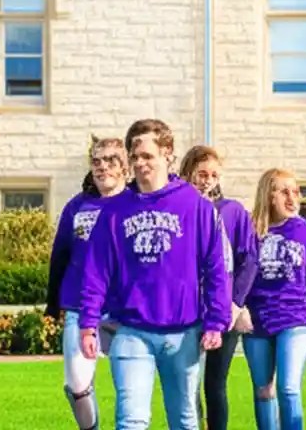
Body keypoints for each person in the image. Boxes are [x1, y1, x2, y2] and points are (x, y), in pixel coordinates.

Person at [77, 118, 232, 430]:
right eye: (134, 157)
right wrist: (88, 323)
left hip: (183, 332)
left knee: (184, 419)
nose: (140, 163)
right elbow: (95, 271)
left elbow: (216, 267)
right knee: (131, 421)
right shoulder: (114, 211)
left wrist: (216, 320)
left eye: (147, 156)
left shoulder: (195, 206)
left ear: (167, 154)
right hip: (131, 330)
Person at [45, 137, 129, 430]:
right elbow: (60, 254)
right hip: (79, 305)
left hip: (125, 308)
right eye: (96, 161)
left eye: (111, 160)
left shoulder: (135, 204)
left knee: (129, 385)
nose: (103, 167)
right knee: (77, 383)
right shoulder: (78, 206)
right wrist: (53, 302)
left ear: (125, 166)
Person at [179, 145, 260, 430]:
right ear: (187, 172)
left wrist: (236, 302)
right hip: (185, 310)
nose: (208, 181)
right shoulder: (178, 211)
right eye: (202, 174)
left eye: (214, 175)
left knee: (215, 383)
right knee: (187, 384)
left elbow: (249, 259)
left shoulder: (232, 212)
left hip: (222, 309)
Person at [242, 168, 306, 430]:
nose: (292, 198)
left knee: (288, 388)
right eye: (284, 192)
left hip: (295, 318)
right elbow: (237, 275)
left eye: (296, 192)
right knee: (263, 390)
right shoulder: (250, 232)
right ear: (268, 196)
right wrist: (239, 308)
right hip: (257, 321)